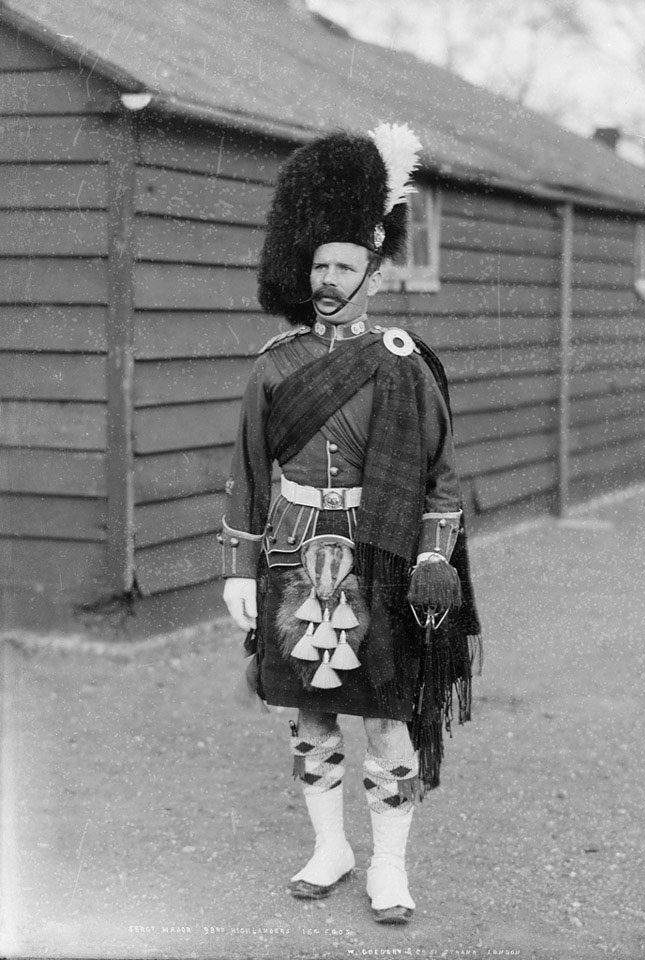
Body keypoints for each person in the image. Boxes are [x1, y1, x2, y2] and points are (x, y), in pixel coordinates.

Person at [220, 125, 480, 925]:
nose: (327, 280)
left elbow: (439, 475)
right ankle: (331, 848)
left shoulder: (402, 360)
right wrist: (239, 564)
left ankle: (389, 870)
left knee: (392, 718)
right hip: (295, 554)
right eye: (318, 266)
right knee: (311, 714)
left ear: (374, 270)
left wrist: (435, 555)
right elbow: (246, 470)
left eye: (343, 267)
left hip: (383, 557)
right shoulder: (274, 364)